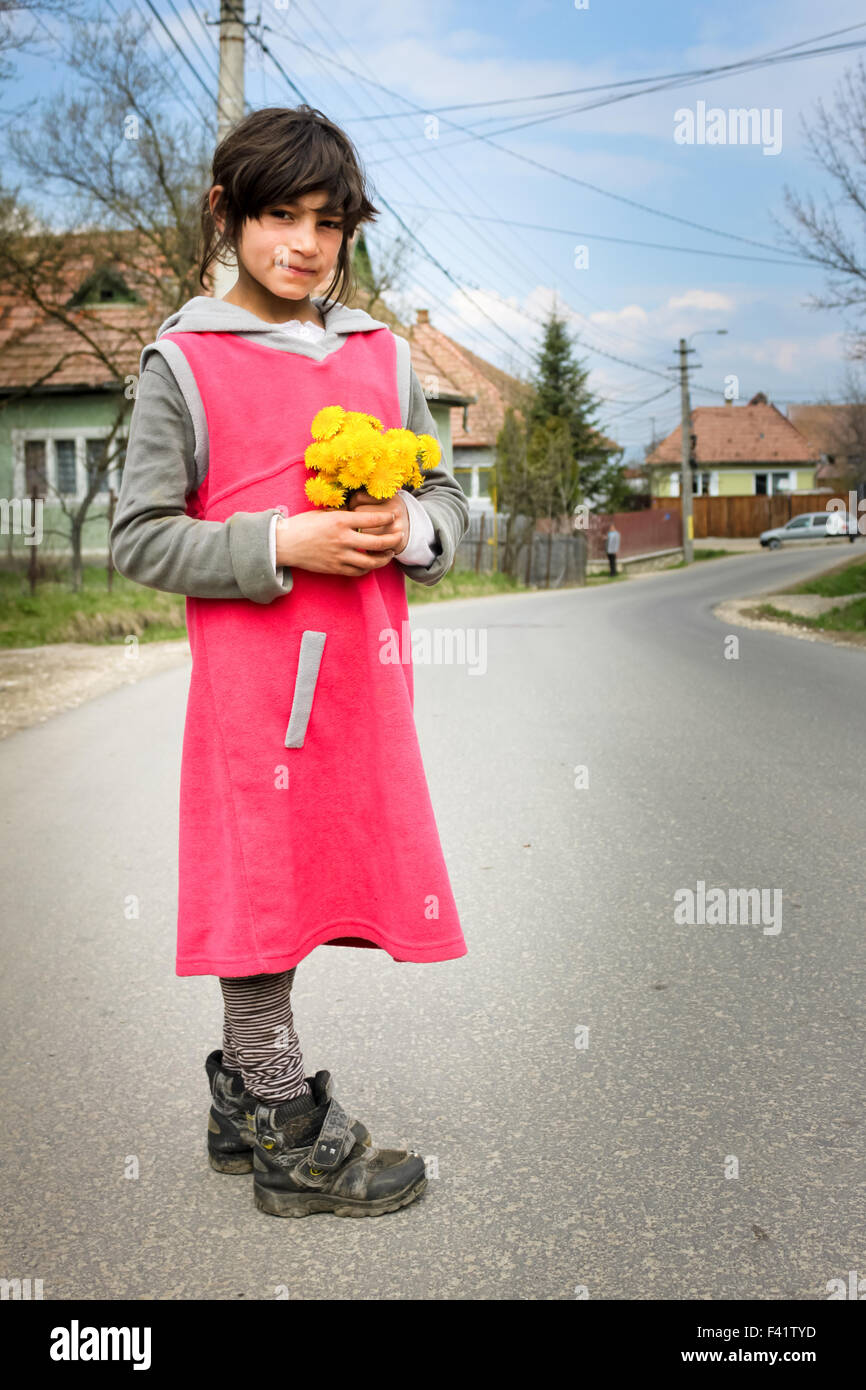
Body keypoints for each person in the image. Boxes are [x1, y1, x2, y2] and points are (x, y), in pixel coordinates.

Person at [110, 105, 470, 1220]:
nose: (304, 245)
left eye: (328, 222)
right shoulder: (186, 360)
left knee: (326, 875)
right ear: (226, 214)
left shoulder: (380, 352)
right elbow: (139, 537)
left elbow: (454, 503)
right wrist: (281, 542)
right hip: (252, 697)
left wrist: (411, 528)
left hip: (365, 688)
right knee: (260, 891)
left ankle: (234, 1107)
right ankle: (285, 1133)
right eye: (277, 215)